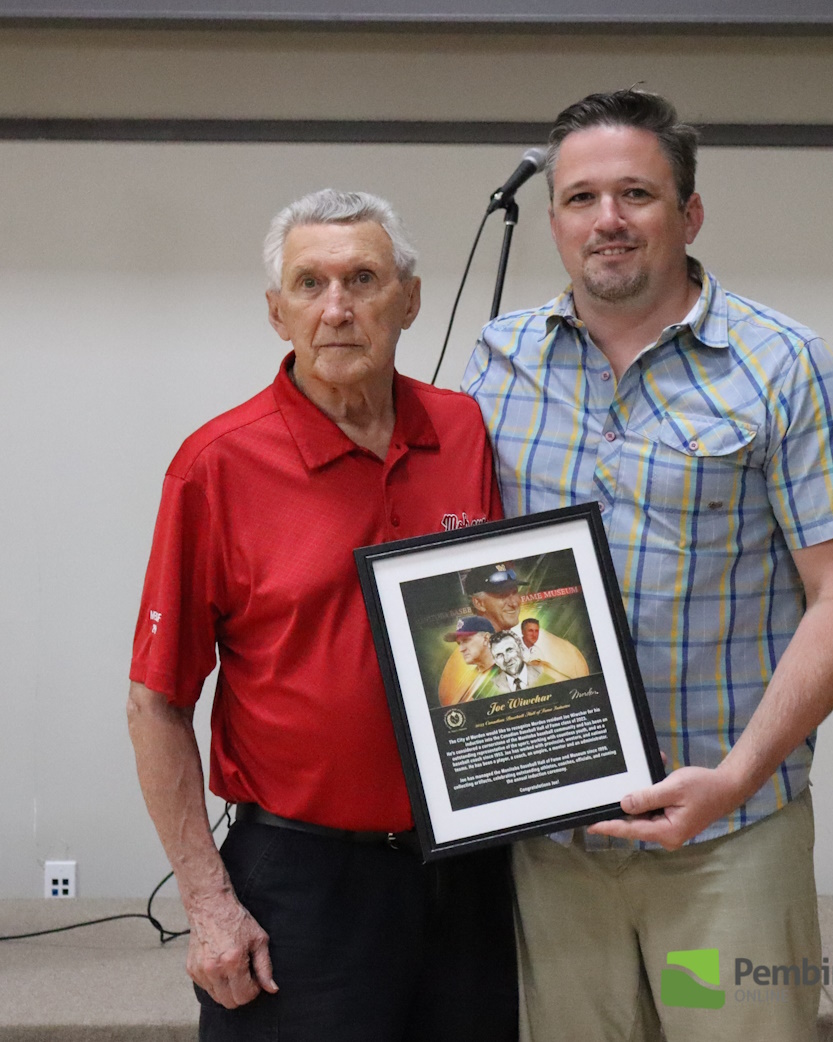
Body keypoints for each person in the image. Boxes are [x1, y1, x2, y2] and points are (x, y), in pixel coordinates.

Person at [463, 89, 833, 1042]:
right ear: (556, 221)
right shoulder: (497, 366)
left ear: (688, 214)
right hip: (554, 845)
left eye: (635, 194)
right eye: (580, 198)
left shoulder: (785, 368)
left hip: (727, 848)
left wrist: (736, 777)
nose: (607, 220)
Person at [127, 189, 517, 1042]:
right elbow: (156, 703)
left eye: (363, 279)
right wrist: (207, 904)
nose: (337, 308)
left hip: (466, 872)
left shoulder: (466, 433)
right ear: (278, 313)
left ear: (409, 300)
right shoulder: (216, 466)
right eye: (310, 284)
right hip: (301, 878)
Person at [438, 564, 587, 703]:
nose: (514, 603)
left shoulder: (561, 651)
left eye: (515, 592)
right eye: (502, 595)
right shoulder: (458, 670)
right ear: (479, 603)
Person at [439, 615, 500, 704]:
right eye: (459, 643)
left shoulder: (511, 673)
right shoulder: (472, 677)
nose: (461, 649)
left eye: (466, 640)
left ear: (486, 638)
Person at [488, 631, 558, 692]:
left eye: (509, 650)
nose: (506, 659)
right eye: (499, 655)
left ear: (521, 649)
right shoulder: (491, 687)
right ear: (496, 662)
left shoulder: (545, 673)